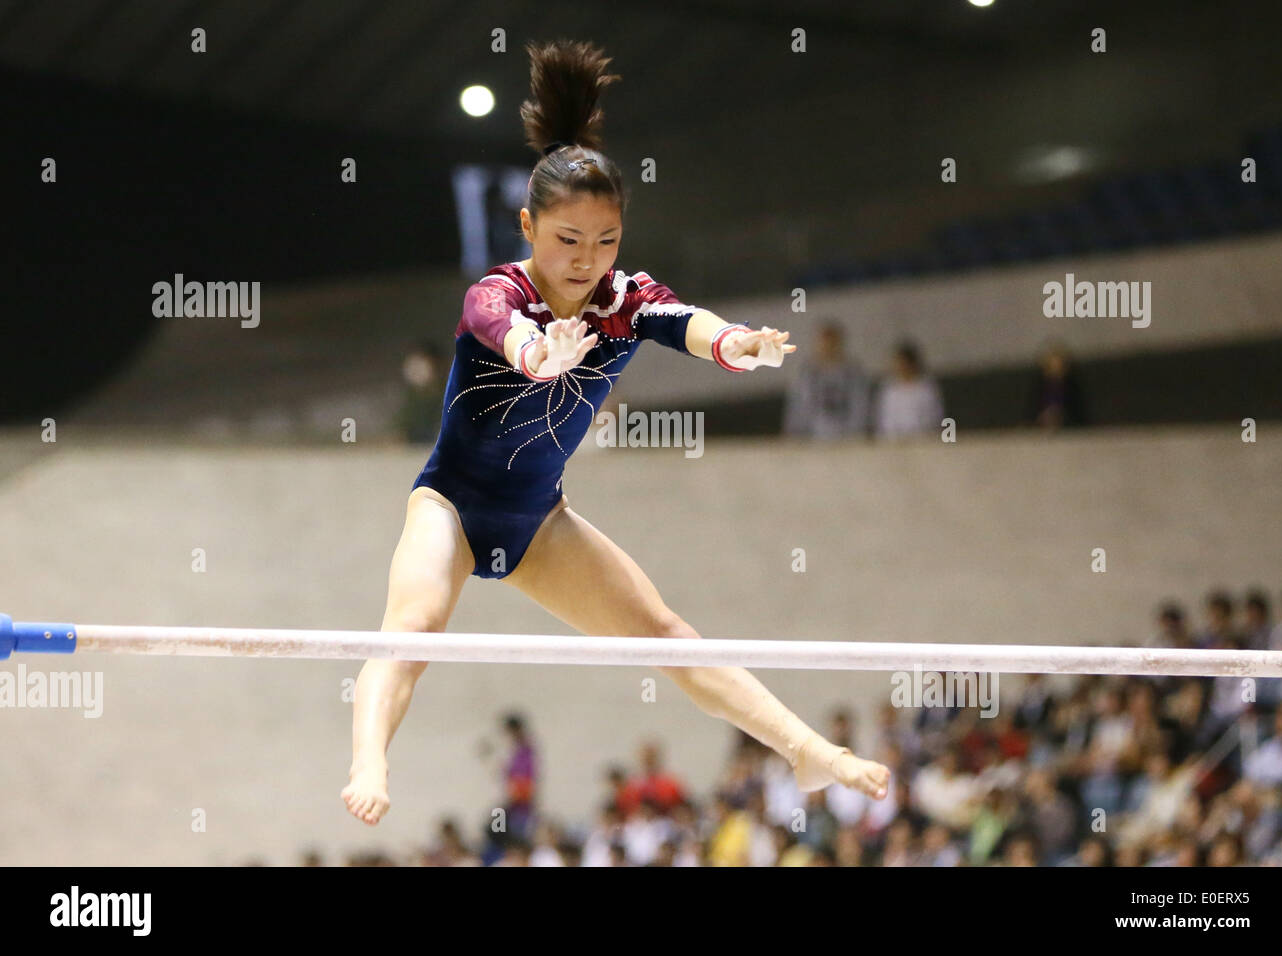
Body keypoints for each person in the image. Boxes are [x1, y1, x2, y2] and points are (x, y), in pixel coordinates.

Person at [341, 39, 890, 826]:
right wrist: (541, 352)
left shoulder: (622, 298)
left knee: (668, 633)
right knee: (414, 628)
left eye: (605, 242)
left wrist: (734, 341)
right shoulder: (495, 294)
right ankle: (369, 758)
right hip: (452, 507)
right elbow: (508, 335)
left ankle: (806, 748)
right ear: (529, 226)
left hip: (539, 519)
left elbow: (685, 322)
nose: (587, 261)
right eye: (567, 241)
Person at [781, 320, 871, 438]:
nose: (828, 347)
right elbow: (798, 408)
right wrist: (793, 433)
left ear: (839, 343)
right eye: (824, 343)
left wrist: (856, 433)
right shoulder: (806, 374)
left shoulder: (853, 373)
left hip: (846, 435)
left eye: (832, 343)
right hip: (813, 436)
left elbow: (860, 406)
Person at [873, 340, 943, 439]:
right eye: (898, 363)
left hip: (923, 441)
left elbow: (934, 419)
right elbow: (884, 421)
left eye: (904, 363)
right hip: (893, 443)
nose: (901, 367)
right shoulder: (888, 390)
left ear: (913, 364)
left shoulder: (926, 389)